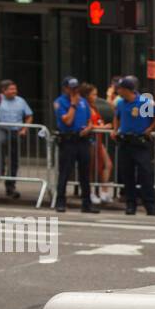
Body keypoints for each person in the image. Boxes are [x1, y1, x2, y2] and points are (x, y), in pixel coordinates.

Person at [112, 75, 155, 216]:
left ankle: (150, 206)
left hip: (140, 142)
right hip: (125, 142)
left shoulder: (143, 101)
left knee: (145, 175)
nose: (118, 91)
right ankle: (131, 205)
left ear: (126, 89)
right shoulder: (120, 103)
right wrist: (115, 129)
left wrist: (150, 128)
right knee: (127, 175)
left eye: (120, 88)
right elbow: (116, 116)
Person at [53, 77, 98, 214]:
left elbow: (90, 119)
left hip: (83, 140)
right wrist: (73, 104)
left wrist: (88, 128)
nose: (74, 91)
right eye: (71, 88)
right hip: (68, 140)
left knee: (85, 173)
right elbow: (67, 121)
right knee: (65, 172)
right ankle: (60, 202)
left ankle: (86, 204)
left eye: (76, 88)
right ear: (65, 88)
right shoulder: (59, 102)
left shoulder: (83, 102)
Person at [79, 83, 112, 204]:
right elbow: (89, 124)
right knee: (91, 168)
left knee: (107, 164)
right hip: (91, 140)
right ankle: (91, 192)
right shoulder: (84, 107)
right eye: (94, 94)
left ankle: (104, 191)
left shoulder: (93, 106)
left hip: (98, 139)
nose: (96, 97)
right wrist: (103, 127)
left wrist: (103, 126)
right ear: (87, 95)